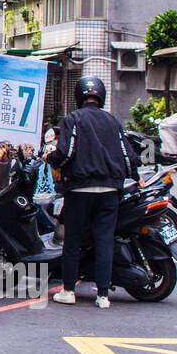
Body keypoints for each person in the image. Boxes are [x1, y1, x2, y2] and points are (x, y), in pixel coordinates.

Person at [43, 75, 134, 309]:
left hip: (79, 189)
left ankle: (69, 290)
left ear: (79, 96)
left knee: (72, 240)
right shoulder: (113, 121)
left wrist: (50, 158)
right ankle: (103, 296)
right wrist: (135, 176)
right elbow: (127, 155)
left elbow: (65, 153)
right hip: (110, 190)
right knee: (104, 240)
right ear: (100, 96)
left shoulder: (73, 119)